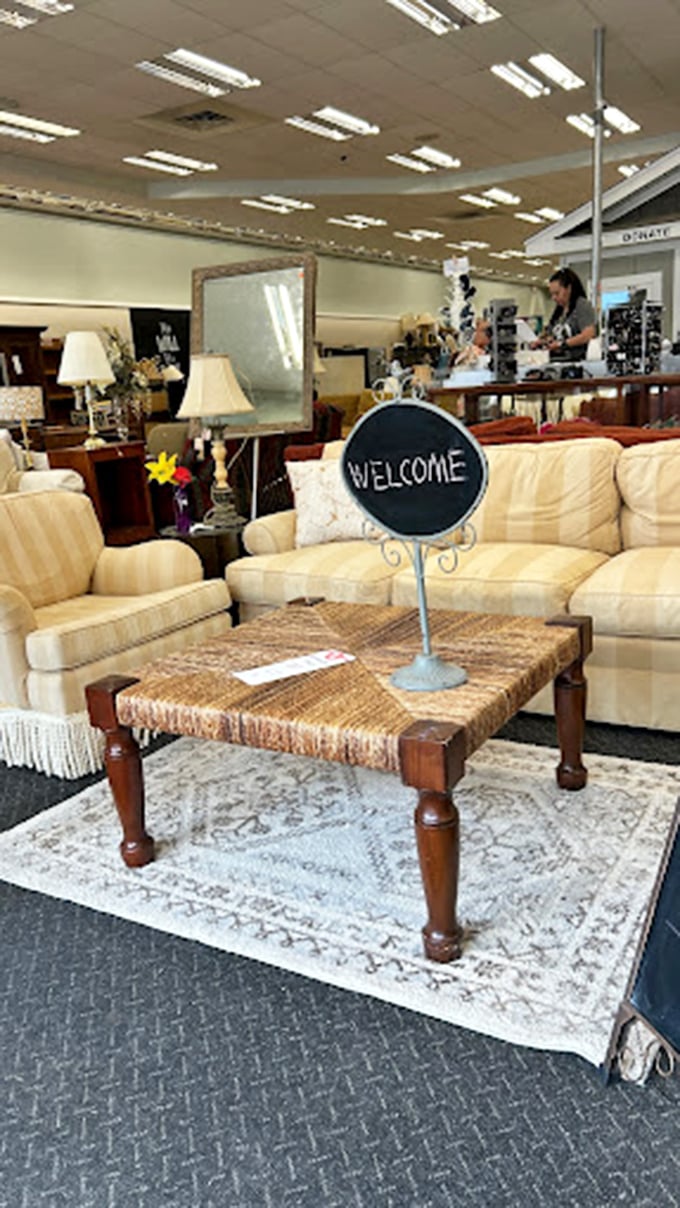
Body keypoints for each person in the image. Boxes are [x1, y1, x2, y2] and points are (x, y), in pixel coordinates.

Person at [534, 268, 597, 360]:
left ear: (569, 288)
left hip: (577, 362)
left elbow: (588, 335)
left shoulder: (582, 305)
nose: (554, 298)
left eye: (557, 293)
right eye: (552, 294)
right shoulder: (559, 311)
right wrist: (543, 342)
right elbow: (554, 336)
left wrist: (562, 344)